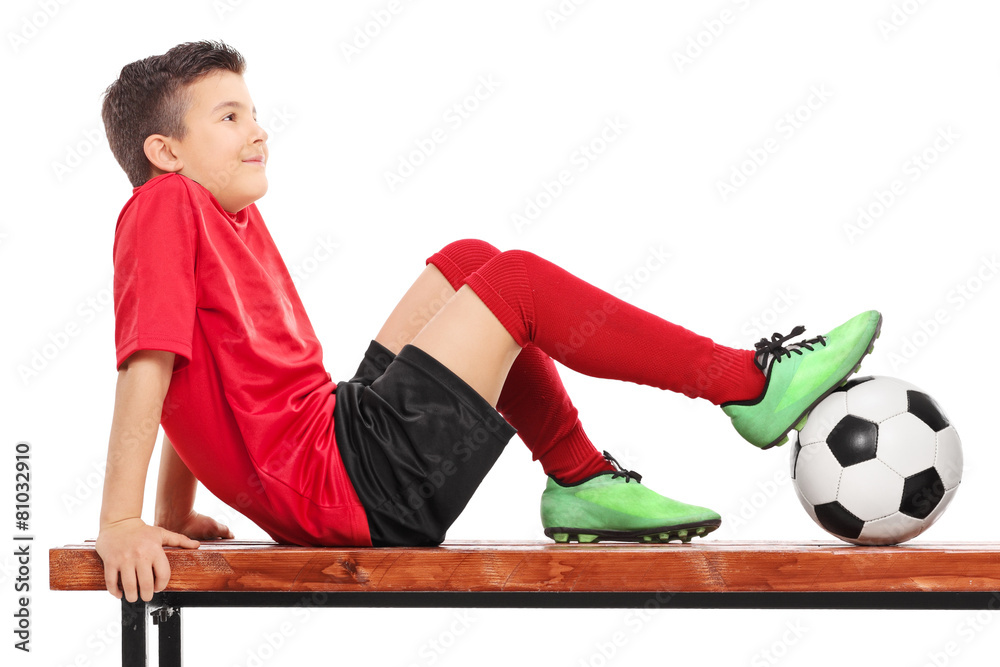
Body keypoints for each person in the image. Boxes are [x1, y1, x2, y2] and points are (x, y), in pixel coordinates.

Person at [95, 40, 882, 604]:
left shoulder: (213, 214)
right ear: (165, 151)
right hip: (352, 485)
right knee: (515, 285)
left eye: (254, 111)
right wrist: (121, 521)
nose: (259, 129)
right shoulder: (165, 206)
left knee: (468, 262)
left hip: (337, 446)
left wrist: (172, 515)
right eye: (230, 117)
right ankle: (746, 384)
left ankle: (579, 480)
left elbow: (190, 374)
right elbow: (150, 363)